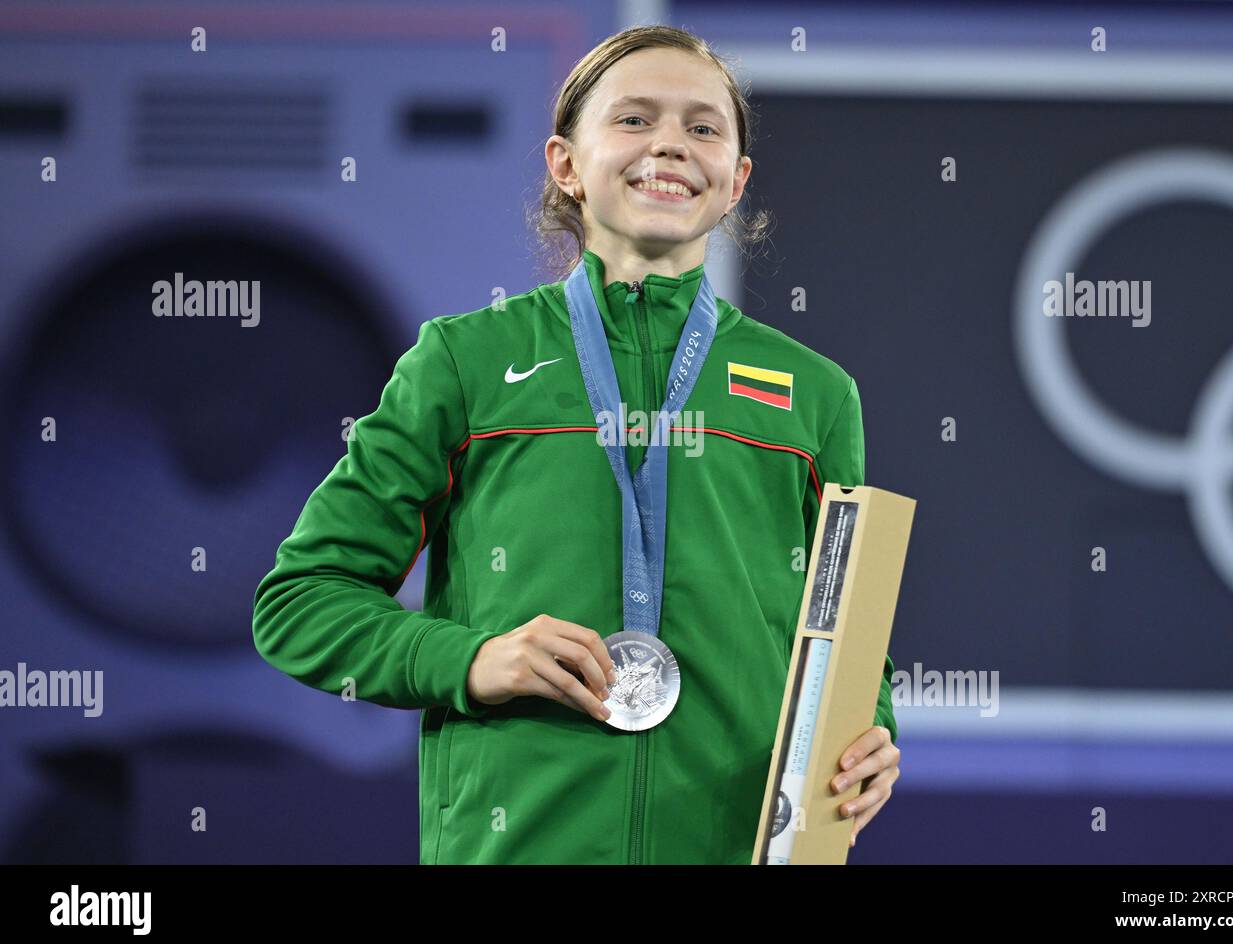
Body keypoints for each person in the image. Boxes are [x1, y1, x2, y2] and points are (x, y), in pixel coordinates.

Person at [252, 24, 900, 865]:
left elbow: (849, 639)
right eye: (634, 120)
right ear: (565, 164)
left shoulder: (815, 392)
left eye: (703, 128)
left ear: (735, 181)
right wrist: (471, 657)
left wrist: (871, 730)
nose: (670, 142)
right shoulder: (464, 361)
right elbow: (301, 601)